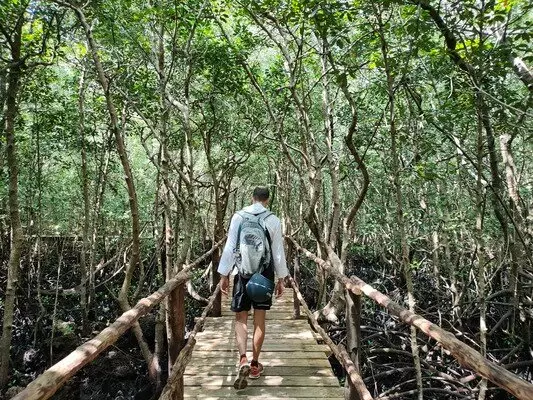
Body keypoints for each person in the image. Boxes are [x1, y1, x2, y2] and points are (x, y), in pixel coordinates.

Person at [218, 186, 289, 390]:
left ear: (252, 197)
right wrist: (281, 278)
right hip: (264, 275)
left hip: (241, 273)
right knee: (259, 319)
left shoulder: (238, 217)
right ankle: (255, 364)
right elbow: (278, 252)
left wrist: (224, 275)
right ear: (267, 200)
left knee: (241, 317)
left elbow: (230, 247)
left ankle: (242, 359)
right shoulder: (273, 220)